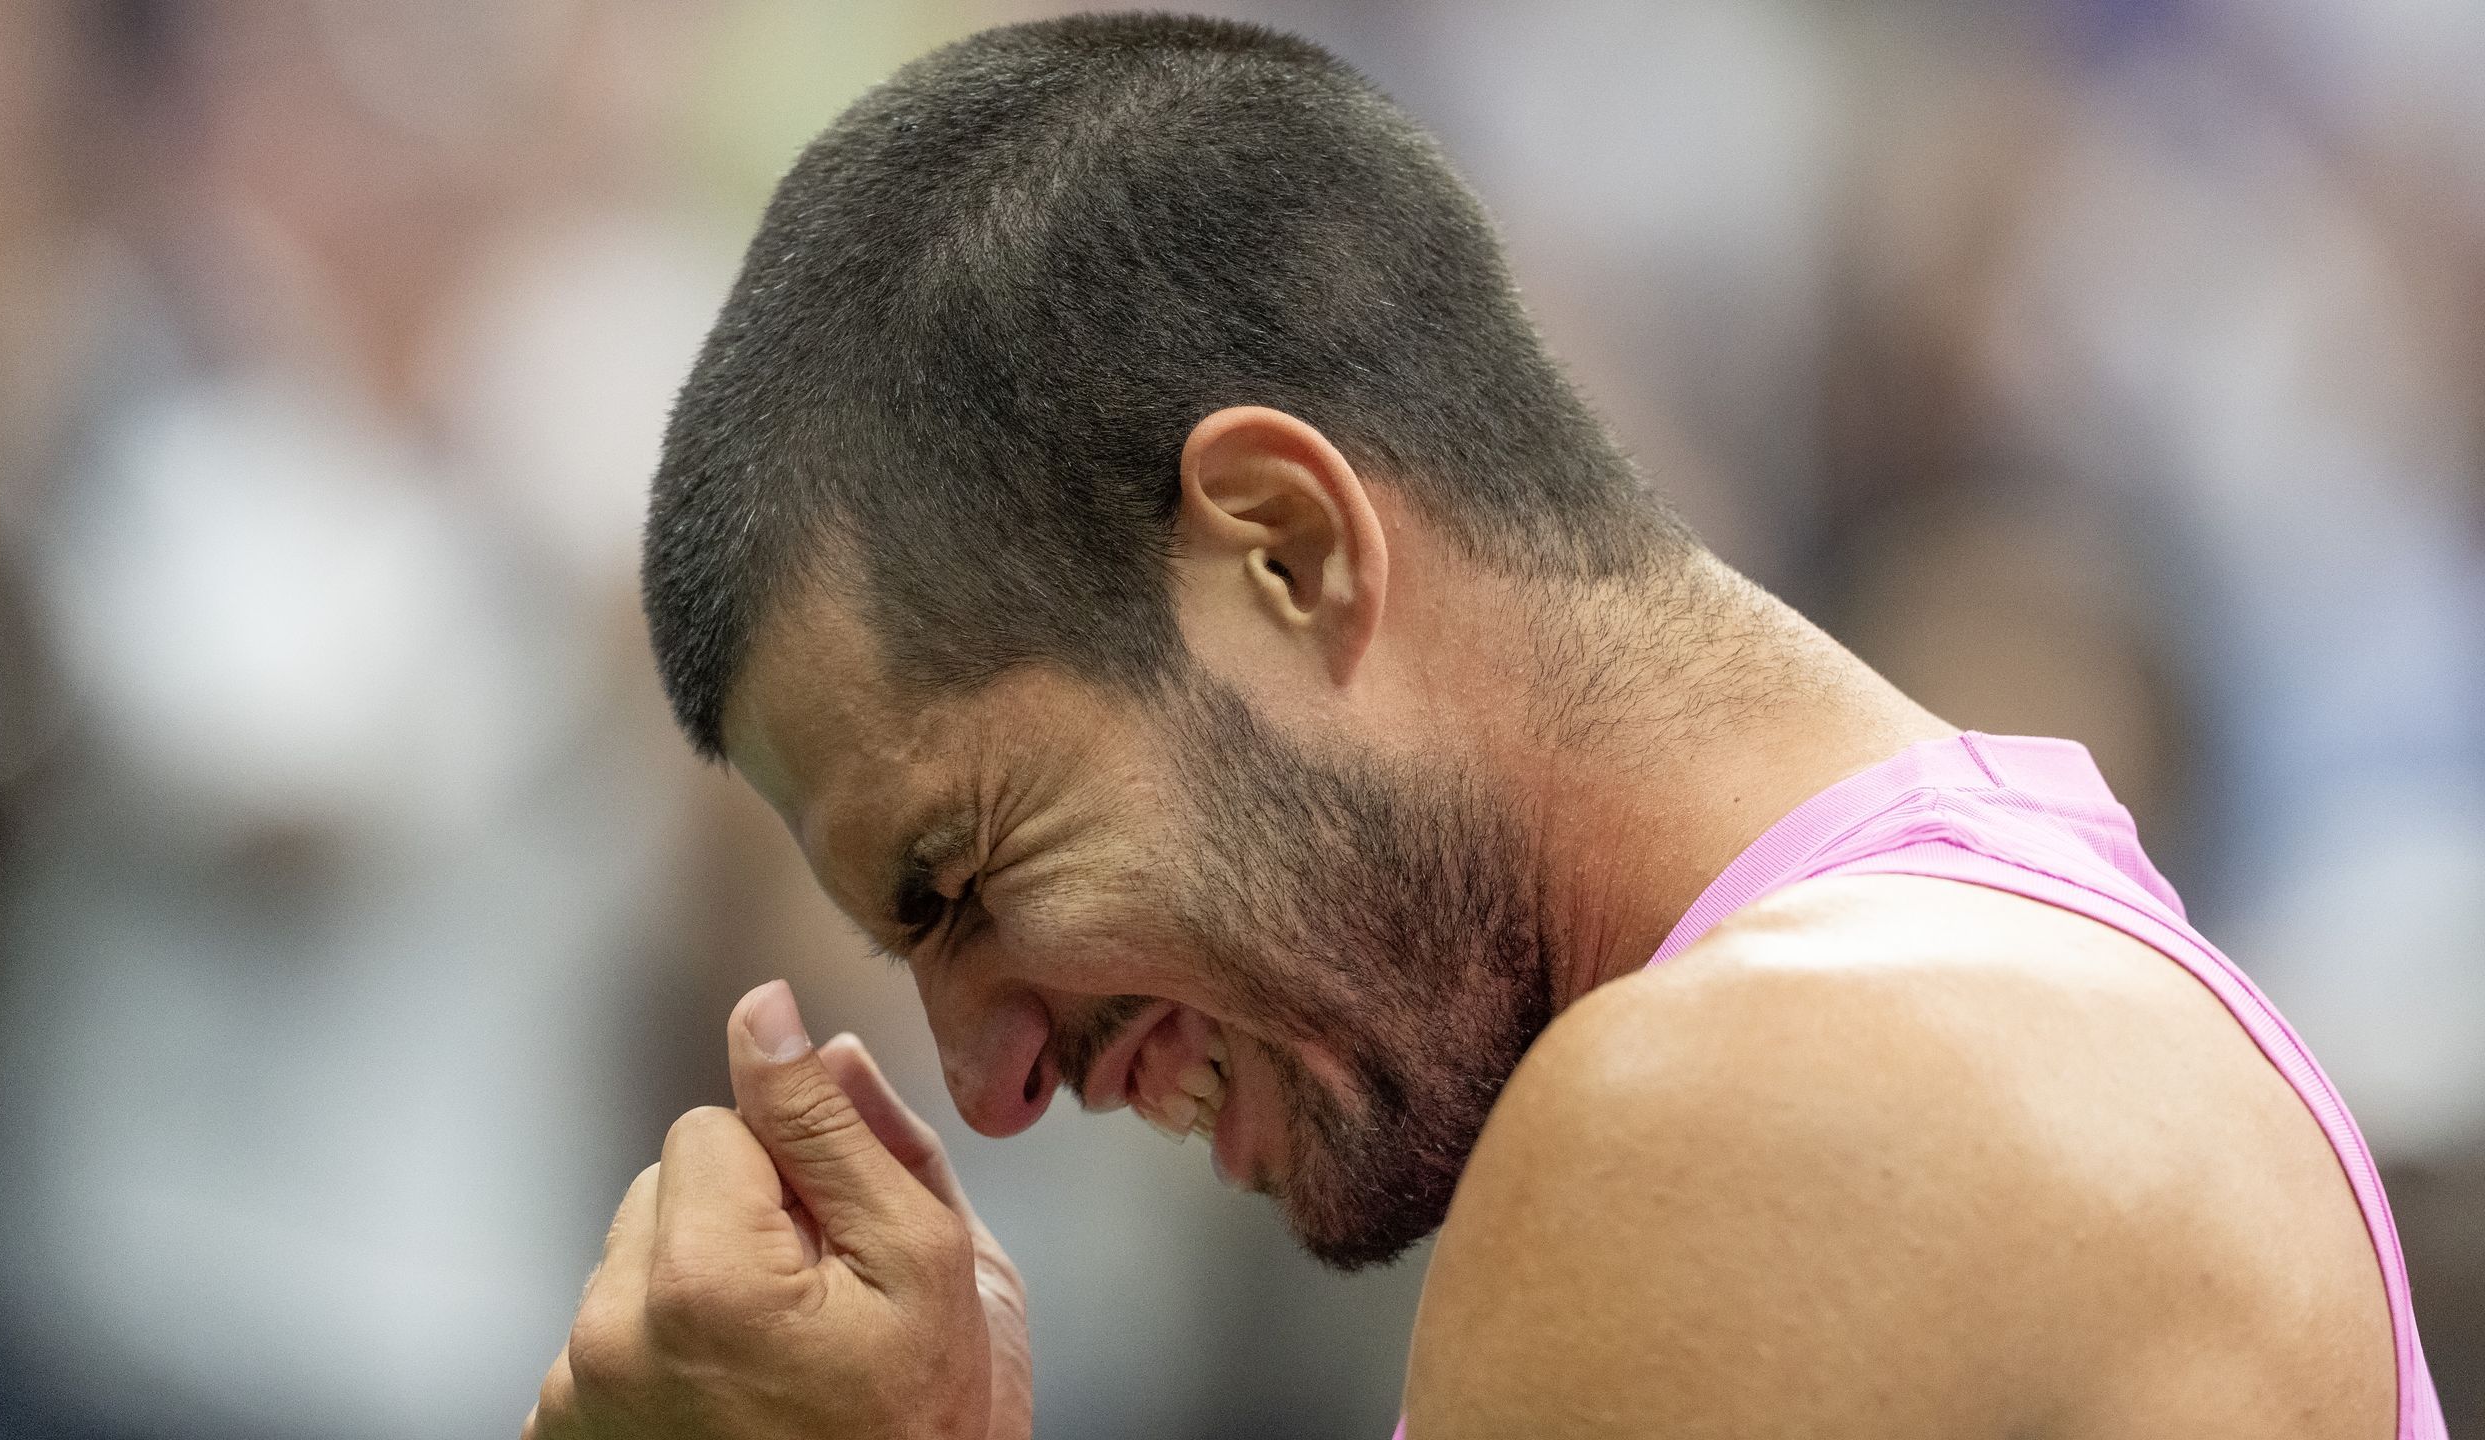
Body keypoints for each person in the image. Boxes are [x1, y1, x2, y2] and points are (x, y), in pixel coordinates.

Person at [525, 15, 2445, 1439]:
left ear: (1283, 549)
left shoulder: (1759, 1107)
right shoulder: (1961, 989)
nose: (994, 1082)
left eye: (961, 878)